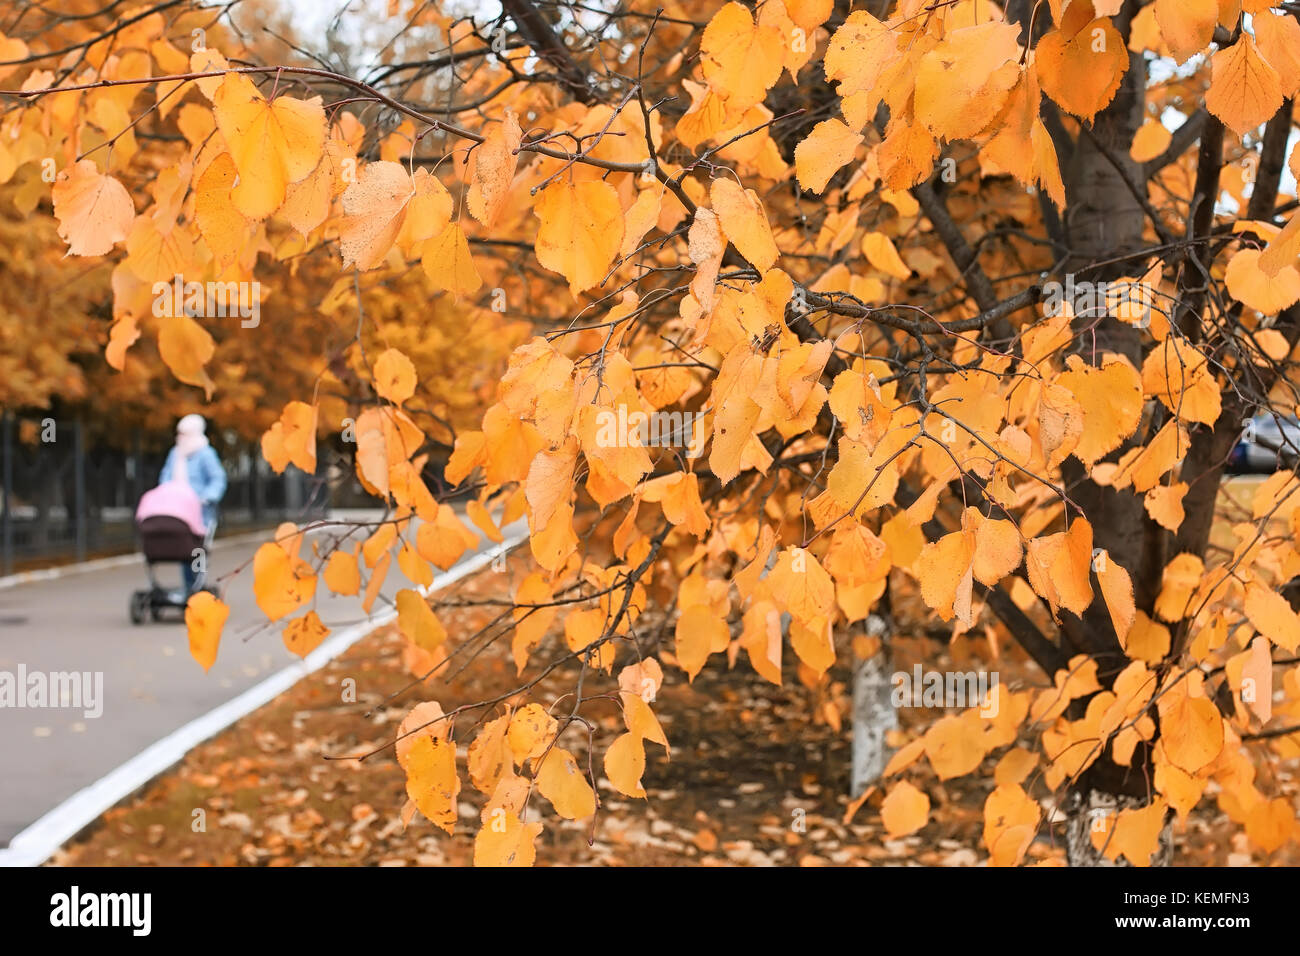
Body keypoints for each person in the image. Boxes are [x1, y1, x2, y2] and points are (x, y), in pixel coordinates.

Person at [159, 414, 227, 593]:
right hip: (177, 511)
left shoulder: (206, 453)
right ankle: (188, 586)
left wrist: (206, 497)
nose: (180, 437)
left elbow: (217, 479)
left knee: (197, 550)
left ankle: (196, 585)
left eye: (184, 433)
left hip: (200, 513)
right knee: (182, 548)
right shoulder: (175, 453)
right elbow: (166, 476)